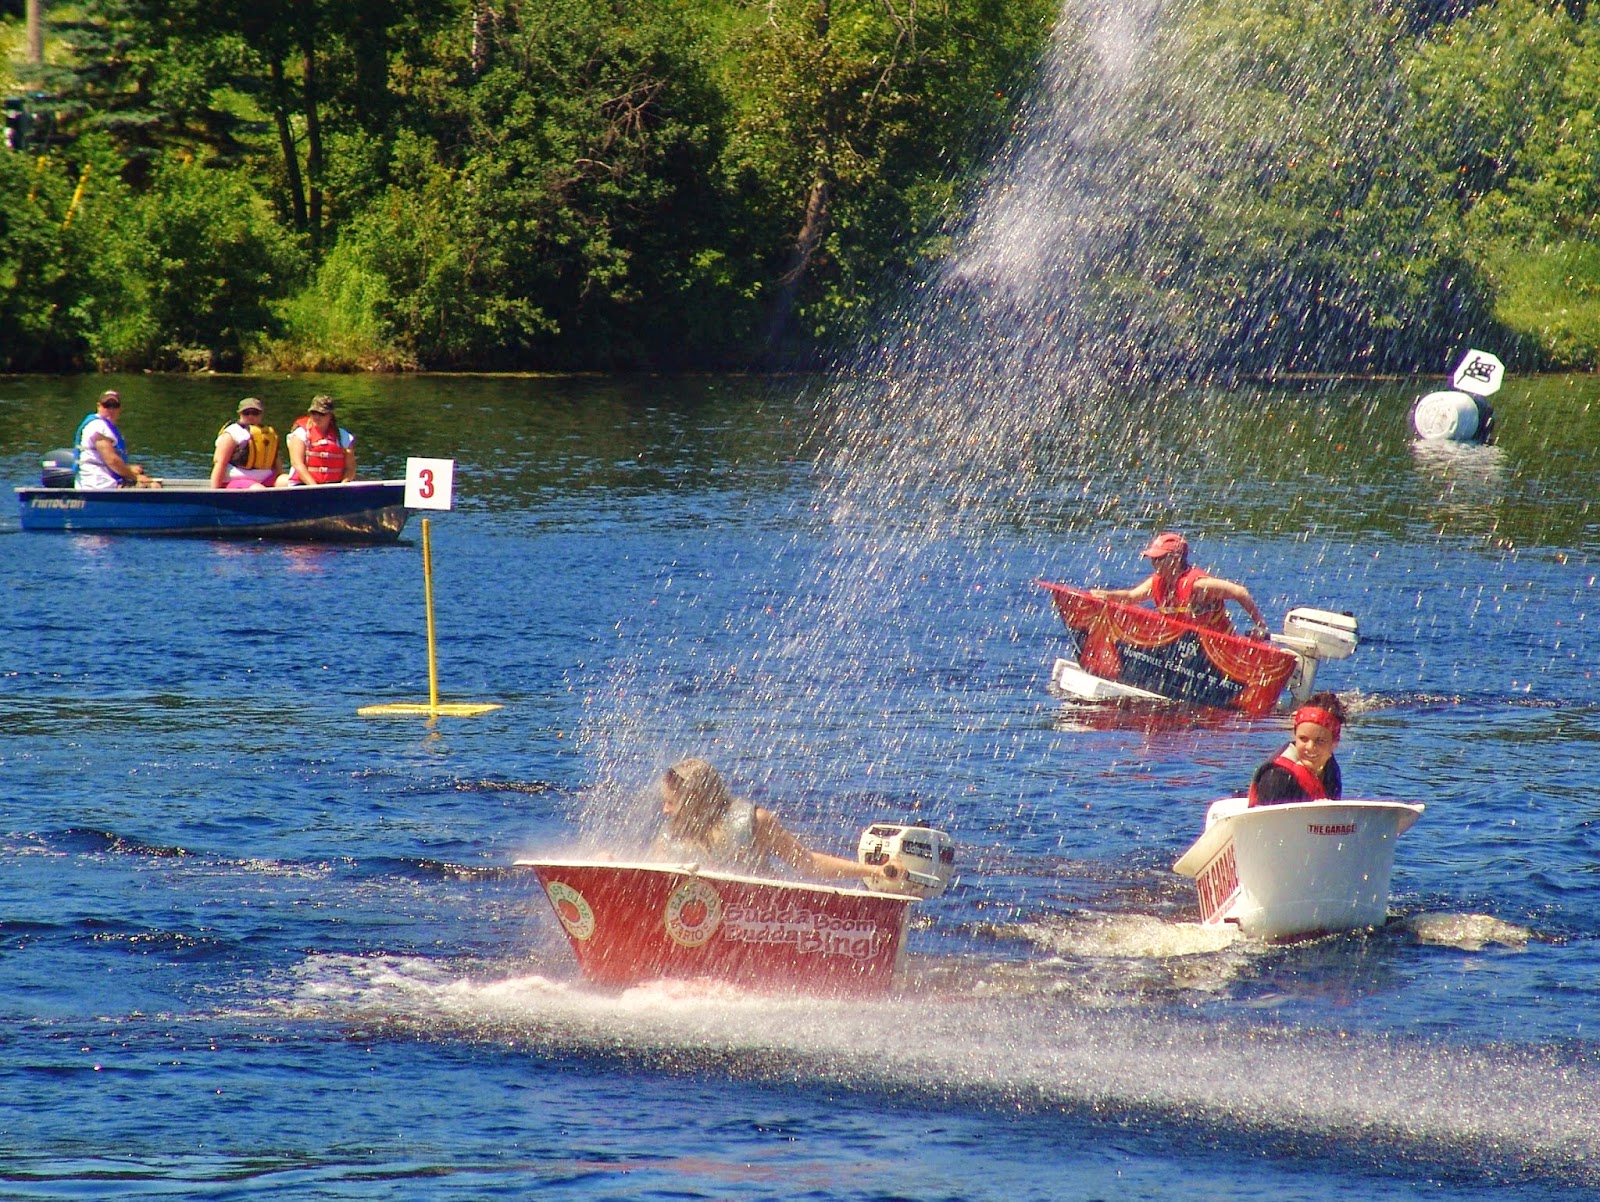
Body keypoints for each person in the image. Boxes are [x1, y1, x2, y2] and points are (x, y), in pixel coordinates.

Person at [651, 758, 901, 885]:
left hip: (754, 924)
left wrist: (873, 870)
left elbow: (808, 864)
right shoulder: (671, 834)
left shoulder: (755, 822)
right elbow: (647, 876)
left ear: (696, 802)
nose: (664, 810)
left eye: (672, 802)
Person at [1091, 531, 1270, 639]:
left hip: (1218, 650)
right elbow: (1131, 597)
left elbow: (1240, 592)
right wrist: (1106, 596)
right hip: (1186, 650)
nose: (1154, 563)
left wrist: (1260, 626)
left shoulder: (1198, 585)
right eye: (1153, 559)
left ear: (1176, 559)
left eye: (1159, 558)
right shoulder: (1157, 581)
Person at [1248, 692, 1346, 806]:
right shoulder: (1277, 776)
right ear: (1295, 736)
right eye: (1303, 739)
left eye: (1320, 741)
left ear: (1334, 742)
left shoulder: (1330, 769)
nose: (1310, 747)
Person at [74, 390, 161, 489]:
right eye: (107, 405)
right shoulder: (98, 426)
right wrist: (136, 477)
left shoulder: (105, 426)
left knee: (150, 484)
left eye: (115, 406)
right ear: (99, 406)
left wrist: (128, 469)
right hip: (98, 485)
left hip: (106, 482)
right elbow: (112, 460)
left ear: (120, 408)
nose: (111, 410)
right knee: (154, 486)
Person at [211, 397, 284, 489]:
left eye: (255, 413)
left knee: (289, 482)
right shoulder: (232, 432)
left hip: (266, 478)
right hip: (238, 480)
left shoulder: (269, 433)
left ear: (261, 414)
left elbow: (277, 461)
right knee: (258, 489)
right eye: (246, 413)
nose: (250, 416)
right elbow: (220, 463)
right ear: (239, 414)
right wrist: (215, 491)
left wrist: (281, 475)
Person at [285, 394, 356, 485]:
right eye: (313, 413)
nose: (317, 417)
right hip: (303, 485)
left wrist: (343, 484)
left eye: (322, 414)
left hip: (334, 485)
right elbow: (298, 464)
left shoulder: (343, 436)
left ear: (330, 415)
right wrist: (314, 487)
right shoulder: (300, 434)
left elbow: (350, 467)